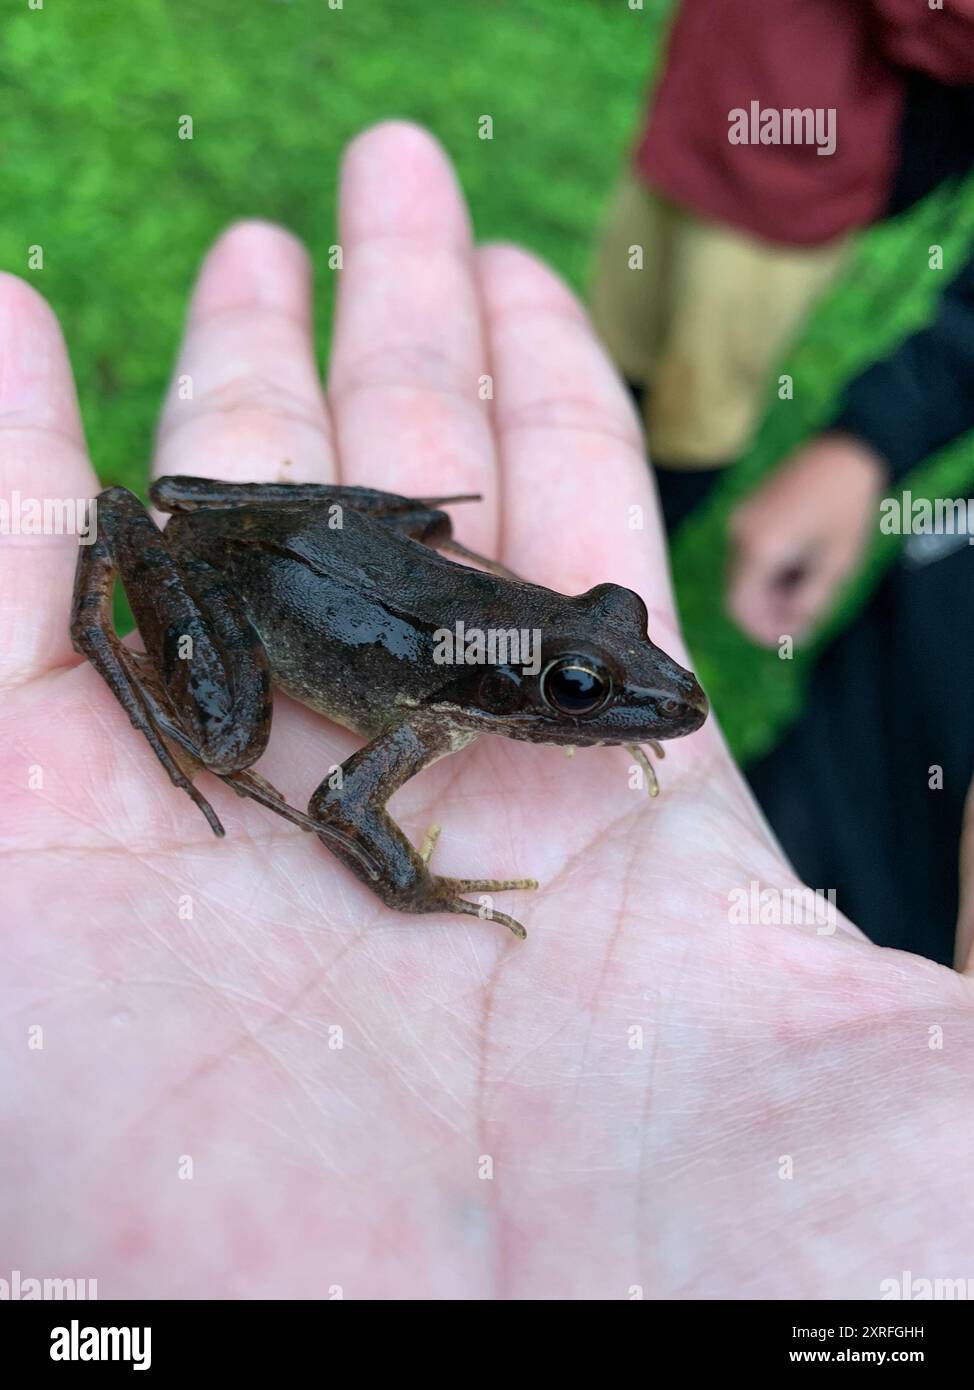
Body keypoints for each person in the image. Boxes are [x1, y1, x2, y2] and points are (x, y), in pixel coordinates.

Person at [3, 122, 974, 1297]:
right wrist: (426, 888)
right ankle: (123, 649)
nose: (653, 696)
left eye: (607, 648)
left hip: (312, 543)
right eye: (581, 691)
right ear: (520, 690)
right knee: (230, 738)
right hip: (244, 577)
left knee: (398, 530)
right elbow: (334, 796)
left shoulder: (498, 649)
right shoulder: (428, 712)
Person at [590, 0, 974, 533]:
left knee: (696, 411)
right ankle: (576, 510)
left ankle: (630, 553)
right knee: (610, 354)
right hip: (692, 106)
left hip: (782, 187)